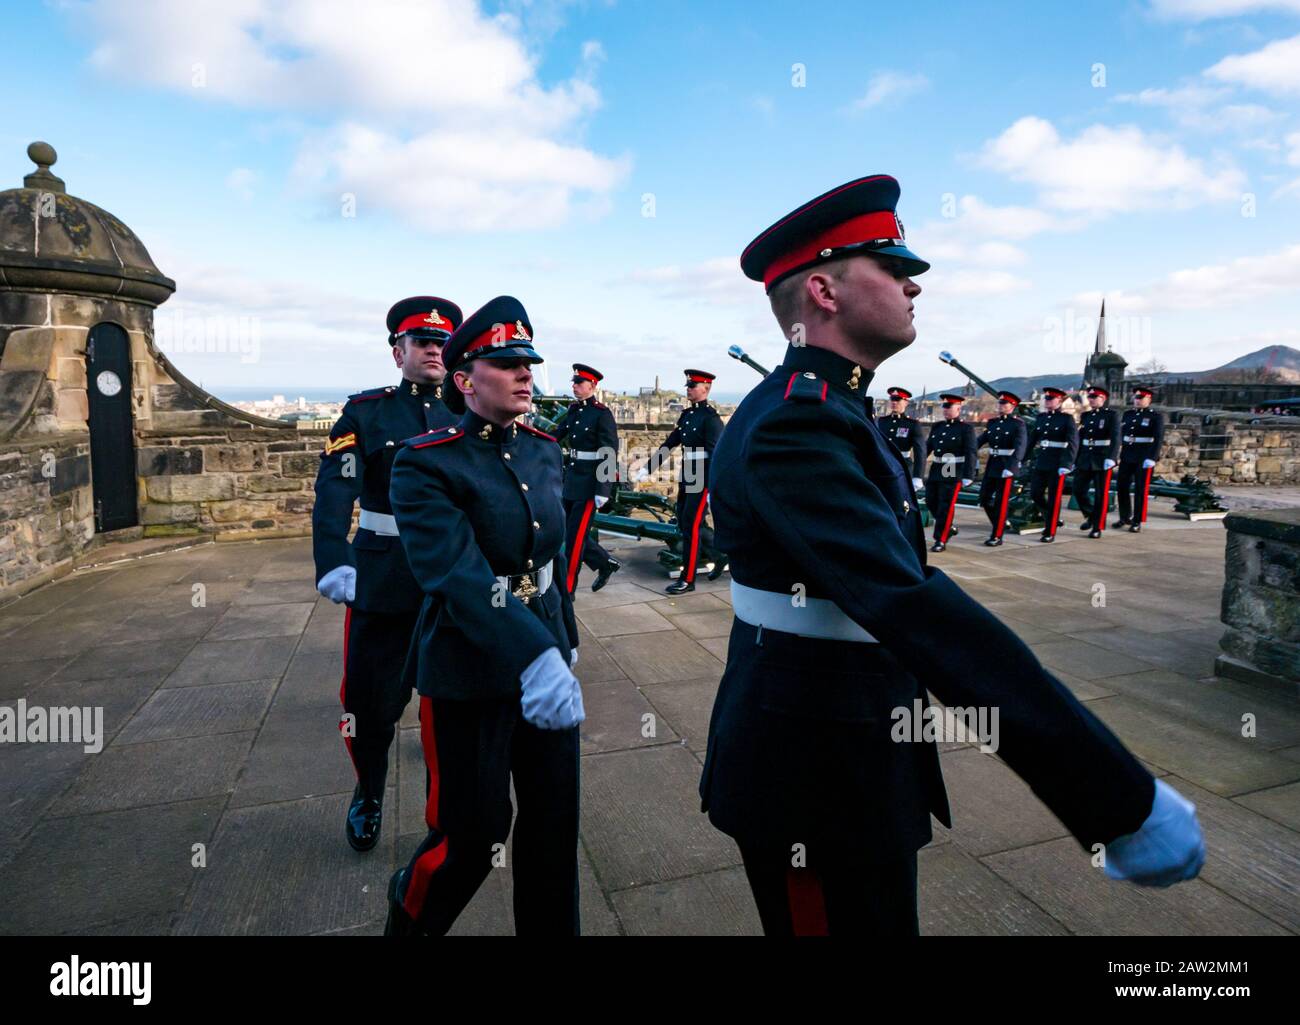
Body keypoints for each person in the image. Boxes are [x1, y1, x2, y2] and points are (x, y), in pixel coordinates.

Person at [702, 173, 1204, 936]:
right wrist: (1114, 797)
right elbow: (910, 603)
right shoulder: (794, 425)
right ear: (825, 292)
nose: (914, 286)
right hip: (810, 779)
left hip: (850, 753)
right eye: (894, 269)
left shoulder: (833, 411)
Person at [383, 296, 584, 937]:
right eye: (506, 362)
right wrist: (538, 657)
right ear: (465, 381)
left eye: (529, 360)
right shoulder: (427, 461)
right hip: (469, 670)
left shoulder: (544, 449)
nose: (526, 372)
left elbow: (548, 558)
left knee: (554, 827)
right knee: (470, 835)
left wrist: (563, 638)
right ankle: (409, 921)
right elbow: (457, 577)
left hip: (546, 653)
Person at [312, 296, 462, 852]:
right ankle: (369, 792)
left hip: (452, 578)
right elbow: (336, 485)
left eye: (441, 342)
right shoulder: (367, 412)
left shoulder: (467, 412)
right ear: (398, 351)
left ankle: (443, 813)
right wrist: (334, 557)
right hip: (383, 577)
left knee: (448, 708)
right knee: (367, 705)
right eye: (421, 342)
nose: (432, 350)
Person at [635, 370, 725, 594]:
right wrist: (648, 467)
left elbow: (716, 455)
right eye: (688, 385)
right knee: (686, 524)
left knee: (692, 527)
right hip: (688, 476)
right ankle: (719, 555)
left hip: (702, 478)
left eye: (693, 386)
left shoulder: (711, 419)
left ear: (705, 388)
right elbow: (669, 444)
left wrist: (713, 486)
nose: (688, 389)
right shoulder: (687, 416)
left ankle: (688, 579)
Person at [552, 364, 621, 594]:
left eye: (579, 382)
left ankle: (568, 588)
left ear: (592, 385)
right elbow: (556, 435)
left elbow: (608, 453)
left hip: (590, 485)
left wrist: (603, 488)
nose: (574, 386)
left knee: (574, 541)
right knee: (566, 532)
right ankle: (604, 562)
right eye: (573, 382)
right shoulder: (574, 410)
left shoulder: (602, 414)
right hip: (571, 479)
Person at [923, 393, 976, 552]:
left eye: (949, 407)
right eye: (944, 407)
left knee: (945, 505)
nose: (945, 410)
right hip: (937, 467)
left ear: (958, 408)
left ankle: (941, 539)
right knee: (930, 501)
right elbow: (927, 447)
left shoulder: (965, 428)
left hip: (952, 467)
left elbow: (971, 452)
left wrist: (968, 475)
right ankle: (948, 527)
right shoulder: (938, 426)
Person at [1024, 387, 1078, 543]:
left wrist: (1067, 463)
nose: (1047, 401)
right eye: (1046, 399)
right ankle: (1052, 517)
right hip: (1042, 460)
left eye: (1051, 399)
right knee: (1035, 493)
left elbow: (1073, 442)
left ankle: (1050, 530)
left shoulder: (1066, 419)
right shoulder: (1041, 418)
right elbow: (1032, 440)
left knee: (1055, 497)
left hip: (1058, 462)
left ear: (1059, 401)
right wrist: (1022, 458)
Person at [976, 390, 1028, 546]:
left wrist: (1012, 466)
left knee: (1001, 502)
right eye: (1000, 402)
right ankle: (1001, 522)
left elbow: (1020, 447)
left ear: (1012, 406)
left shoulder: (1018, 424)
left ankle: (997, 535)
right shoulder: (993, 423)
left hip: (1007, 466)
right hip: (993, 464)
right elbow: (980, 441)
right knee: (984, 498)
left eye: (1004, 403)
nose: (1001, 405)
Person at [1115, 387, 1165, 533]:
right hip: (1127, 454)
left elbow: (1158, 438)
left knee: (1140, 489)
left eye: (1141, 398)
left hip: (1144, 455)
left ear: (1149, 399)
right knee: (1122, 486)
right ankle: (1124, 517)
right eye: (1136, 397)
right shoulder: (1128, 414)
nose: (1137, 400)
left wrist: (1152, 457)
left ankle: (1137, 520)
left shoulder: (1155, 416)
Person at [1074, 385, 1121, 539]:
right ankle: (1091, 515)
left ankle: (1097, 526)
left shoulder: (1111, 415)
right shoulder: (1086, 415)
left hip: (1102, 457)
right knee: (1078, 490)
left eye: (1095, 397)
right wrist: (1076, 458)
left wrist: (1112, 457)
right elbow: (1081, 438)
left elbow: (1115, 438)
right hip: (1086, 457)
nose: (1091, 400)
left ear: (1103, 399)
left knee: (1101, 494)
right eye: (1090, 397)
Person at [879, 386, 927, 486]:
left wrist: (918, 476)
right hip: (882, 465)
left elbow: (920, 452)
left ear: (906, 402)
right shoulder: (881, 422)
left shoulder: (912, 425)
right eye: (892, 399)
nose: (894, 402)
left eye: (898, 399)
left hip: (902, 467)